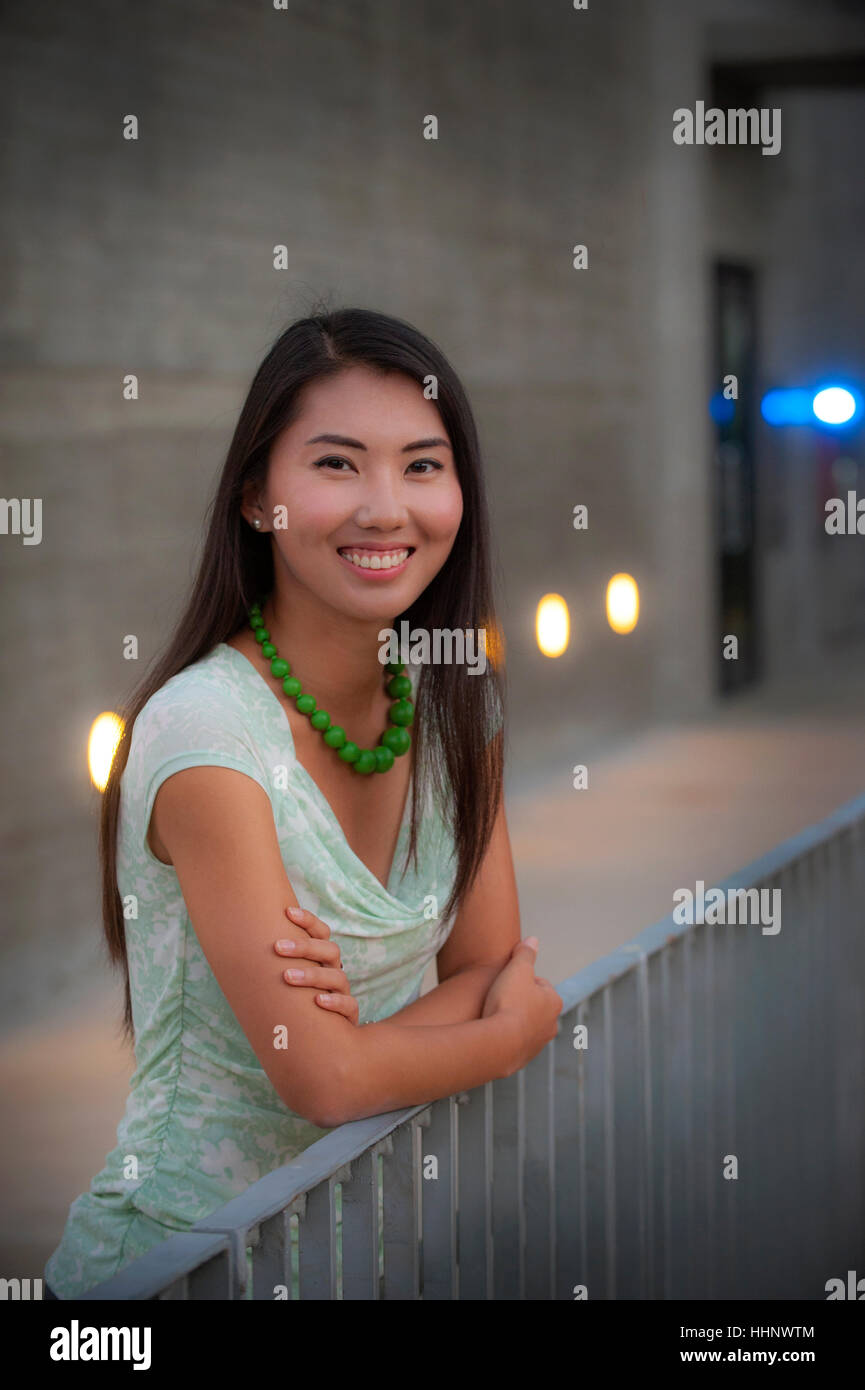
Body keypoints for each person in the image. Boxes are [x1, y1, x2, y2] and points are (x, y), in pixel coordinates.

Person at [44, 305, 562, 1298]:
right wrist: (496, 1037)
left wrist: (359, 1044)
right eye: (335, 464)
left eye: (421, 464)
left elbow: (494, 961)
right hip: (181, 1263)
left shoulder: (458, 699)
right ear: (255, 497)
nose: (386, 508)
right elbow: (318, 1078)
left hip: (369, 1249)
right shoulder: (206, 736)